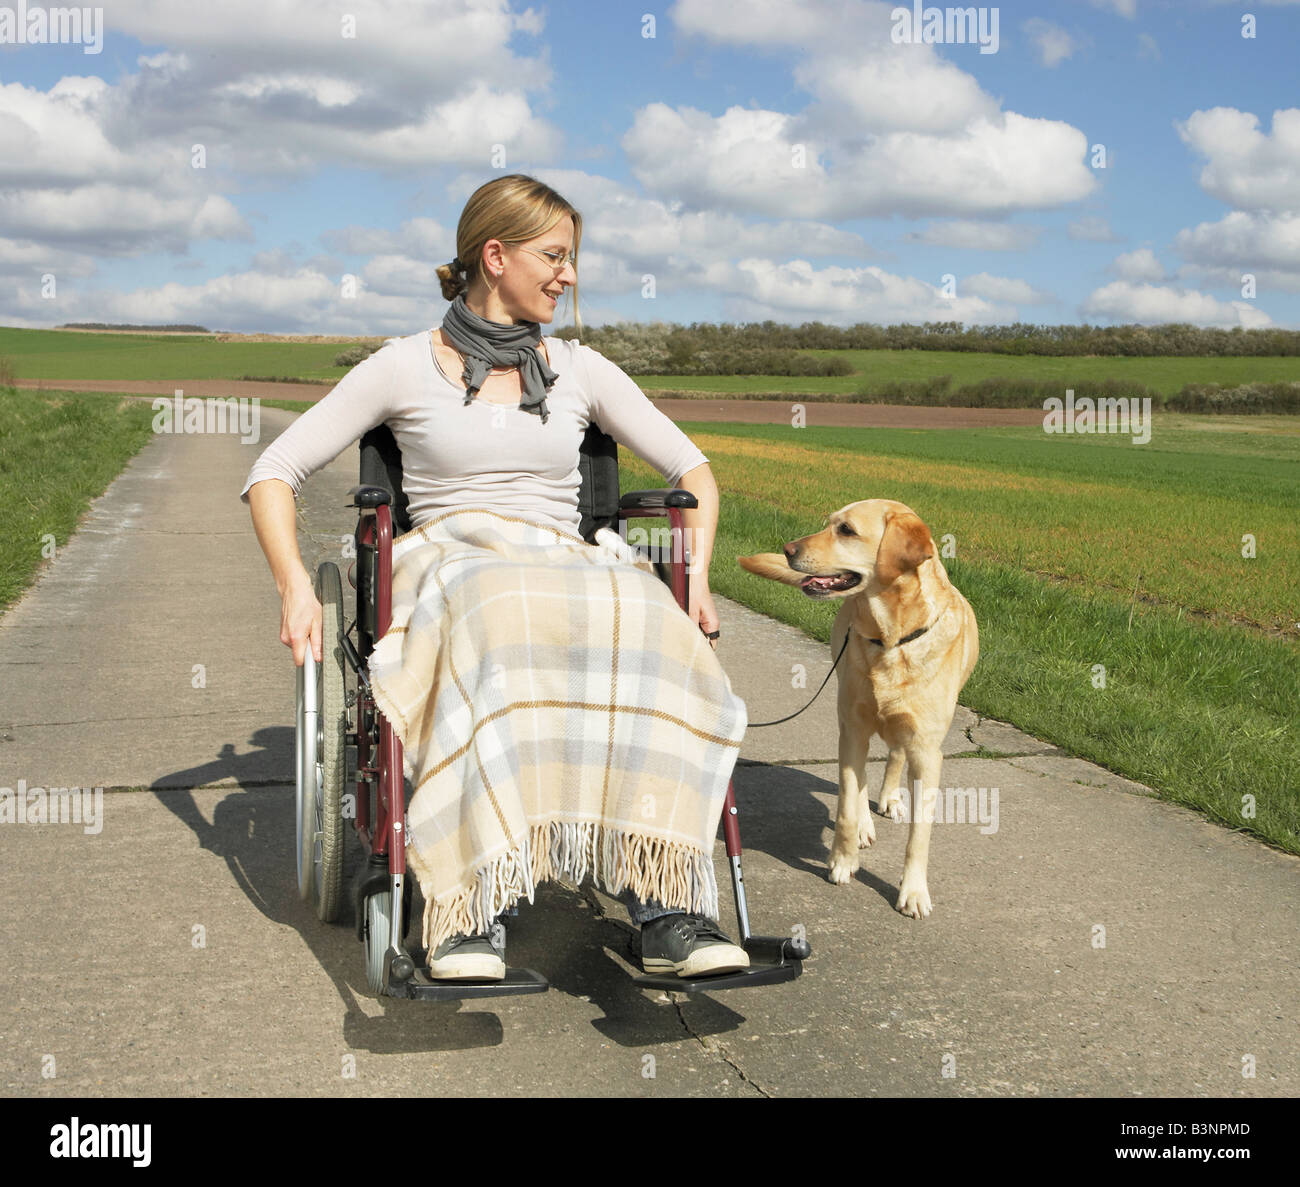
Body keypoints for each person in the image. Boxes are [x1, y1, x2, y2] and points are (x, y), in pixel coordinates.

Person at [242, 173, 749, 981]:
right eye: (554, 256)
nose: (569, 275)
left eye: (571, 258)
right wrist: (295, 586)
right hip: (450, 559)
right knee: (494, 604)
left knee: (650, 617)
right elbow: (274, 469)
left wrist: (701, 582)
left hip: (561, 560)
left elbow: (695, 468)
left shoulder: (581, 370)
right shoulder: (404, 367)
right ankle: (469, 907)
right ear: (494, 255)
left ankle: (669, 905)